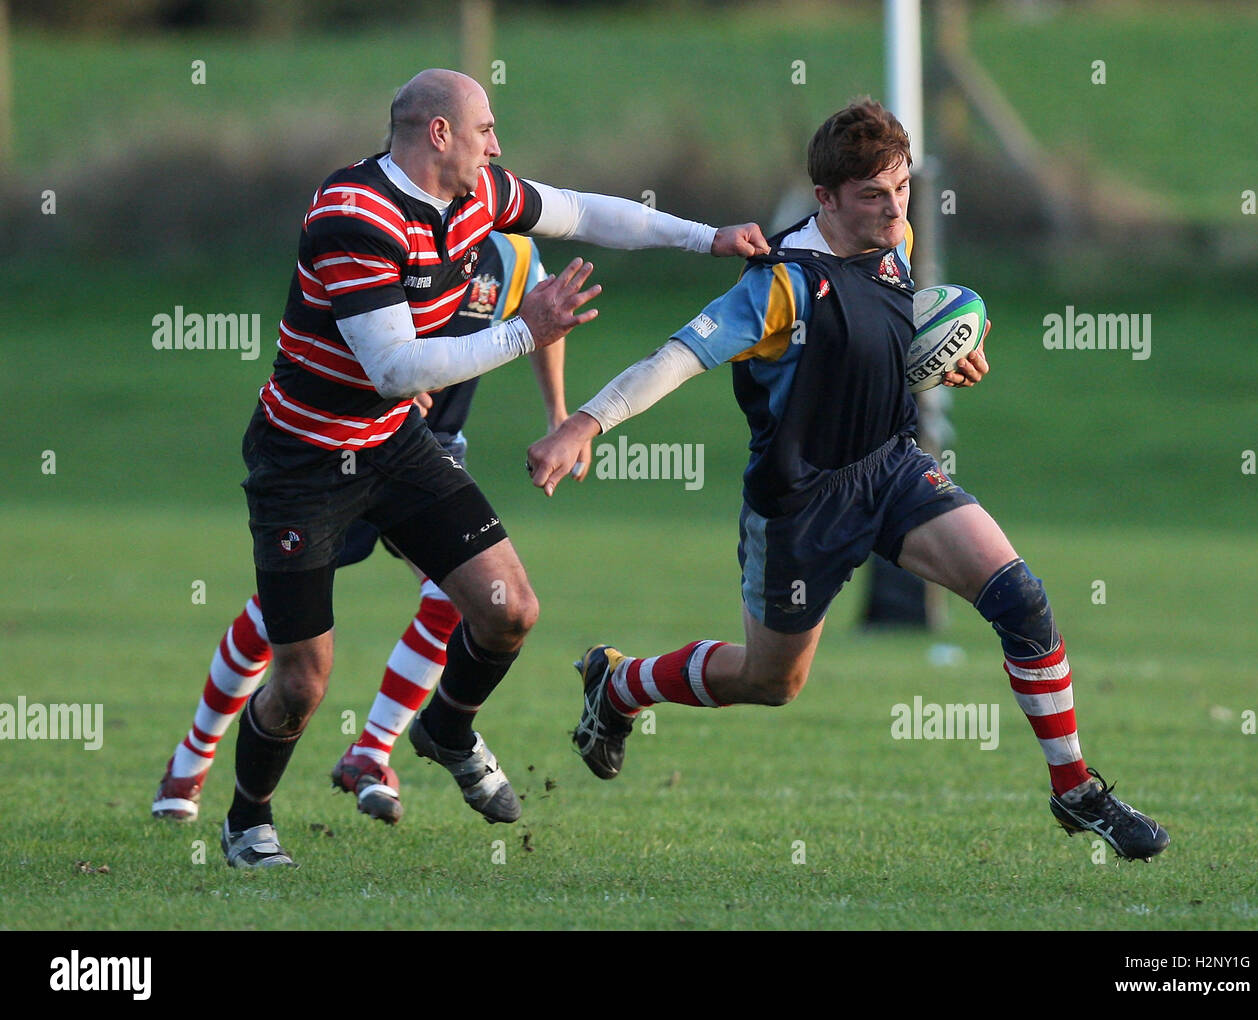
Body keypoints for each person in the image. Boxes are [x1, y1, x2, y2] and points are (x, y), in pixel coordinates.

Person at [524, 98, 1170, 862]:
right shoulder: (782, 283)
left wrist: (950, 355)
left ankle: (1076, 790)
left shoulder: (897, 240)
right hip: (800, 506)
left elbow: (897, 332)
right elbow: (675, 359)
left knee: (1021, 599)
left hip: (890, 470)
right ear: (824, 198)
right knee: (771, 681)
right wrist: (583, 422)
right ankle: (621, 685)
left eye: (901, 188)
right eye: (872, 194)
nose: (894, 207)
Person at [214, 68, 769, 868]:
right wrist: (526, 332)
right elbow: (395, 369)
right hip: (303, 457)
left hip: (394, 445)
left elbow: (585, 213)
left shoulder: (481, 194)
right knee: (303, 680)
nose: (497, 144)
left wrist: (705, 238)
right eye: (486, 129)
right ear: (439, 134)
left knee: (510, 609)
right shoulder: (352, 213)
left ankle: (443, 729)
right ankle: (247, 820)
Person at [151, 232, 583, 827]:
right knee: (284, 618)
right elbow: (351, 329)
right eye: (481, 135)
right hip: (347, 447)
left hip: (433, 453)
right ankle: (193, 756)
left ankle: (372, 751)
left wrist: (557, 411)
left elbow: (543, 314)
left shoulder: (513, 254)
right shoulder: (395, 231)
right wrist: (394, 377)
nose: (488, 158)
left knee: (462, 599)